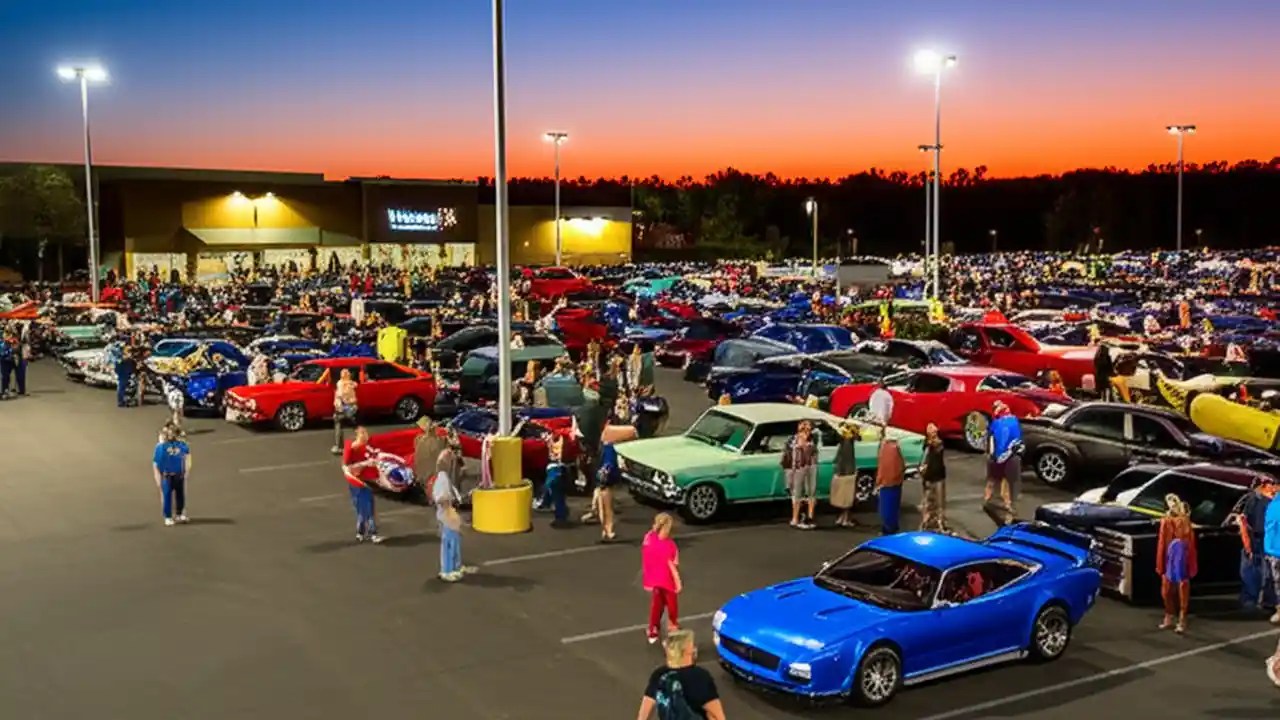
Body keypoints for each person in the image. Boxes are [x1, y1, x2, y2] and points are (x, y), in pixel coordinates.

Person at [638, 629, 726, 720]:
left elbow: (643, 715)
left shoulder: (659, 675)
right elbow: (717, 715)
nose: (695, 648)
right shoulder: (700, 676)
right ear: (687, 651)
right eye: (692, 645)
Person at [1157, 494, 1198, 634]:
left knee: (1182, 588)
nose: (1172, 504)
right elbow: (1162, 542)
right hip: (1169, 557)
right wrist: (1160, 562)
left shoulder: (1184, 520)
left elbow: (1187, 540)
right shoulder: (1165, 520)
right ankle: (1169, 615)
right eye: (1169, 502)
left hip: (1181, 557)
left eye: (1174, 501)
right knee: (1166, 590)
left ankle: (1182, 618)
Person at [1238, 477, 1279, 614]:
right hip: (1256, 539)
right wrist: (1247, 543)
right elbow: (1244, 523)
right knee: (1252, 571)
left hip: (1269, 541)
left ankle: (1268, 601)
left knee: (1269, 574)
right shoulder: (1254, 499)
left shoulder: (1273, 501)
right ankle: (1250, 600)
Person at [433, 456, 474, 581]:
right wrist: (450, 514)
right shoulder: (442, 480)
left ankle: (456, 566)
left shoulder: (446, 479)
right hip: (447, 517)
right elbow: (441, 498)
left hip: (449, 515)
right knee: (449, 544)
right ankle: (447, 570)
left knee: (455, 542)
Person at [643, 513, 682, 644]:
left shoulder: (649, 538)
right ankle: (672, 626)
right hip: (667, 580)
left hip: (654, 579)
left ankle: (653, 629)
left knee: (656, 605)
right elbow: (672, 565)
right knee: (672, 605)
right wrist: (678, 582)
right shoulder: (670, 545)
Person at [983, 401, 1024, 528]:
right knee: (1008, 482)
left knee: (993, 480)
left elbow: (991, 441)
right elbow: (1019, 440)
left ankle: (989, 500)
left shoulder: (996, 423)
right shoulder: (1014, 421)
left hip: (997, 458)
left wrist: (992, 455)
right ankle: (1009, 506)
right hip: (1012, 458)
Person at [341, 426, 383, 544]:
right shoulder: (351, 449)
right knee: (362, 508)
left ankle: (367, 533)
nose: (366, 435)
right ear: (357, 436)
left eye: (366, 433)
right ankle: (365, 532)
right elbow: (347, 467)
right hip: (358, 483)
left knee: (368, 508)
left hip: (366, 482)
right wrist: (365, 464)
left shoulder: (366, 448)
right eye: (362, 433)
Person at [152, 423, 192, 526]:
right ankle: (168, 517)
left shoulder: (181, 445)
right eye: (169, 432)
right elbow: (155, 463)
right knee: (167, 496)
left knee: (180, 496)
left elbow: (187, 456)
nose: (171, 435)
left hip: (179, 475)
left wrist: (186, 471)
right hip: (167, 476)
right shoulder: (161, 447)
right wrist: (157, 477)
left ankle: (179, 514)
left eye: (173, 432)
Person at [782, 421, 818, 529]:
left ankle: (810, 517)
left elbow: (811, 453)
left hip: (810, 467)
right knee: (796, 493)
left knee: (811, 492)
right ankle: (795, 518)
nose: (805, 428)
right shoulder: (792, 440)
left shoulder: (813, 439)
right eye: (803, 425)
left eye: (808, 426)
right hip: (797, 468)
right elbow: (788, 454)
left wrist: (805, 444)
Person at [875, 425, 906, 535]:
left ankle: (888, 529)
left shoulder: (887, 448)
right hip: (896, 483)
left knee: (887, 509)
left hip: (887, 483)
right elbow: (901, 465)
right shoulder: (895, 447)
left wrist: (879, 480)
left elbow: (884, 467)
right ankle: (892, 527)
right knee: (893, 507)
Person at [829, 421, 860, 528]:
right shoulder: (841, 433)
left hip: (847, 465)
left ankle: (845, 517)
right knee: (842, 492)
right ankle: (843, 517)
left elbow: (858, 437)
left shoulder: (851, 433)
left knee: (847, 492)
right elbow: (834, 437)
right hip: (842, 465)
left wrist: (852, 431)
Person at [919, 423, 948, 531]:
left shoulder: (939, 444)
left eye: (935, 432)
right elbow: (924, 459)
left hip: (939, 476)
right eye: (931, 432)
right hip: (929, 477)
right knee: (928, 502)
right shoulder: (927, 445)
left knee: (939, 502)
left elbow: (938, 447)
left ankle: (940, 523)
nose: (934, 434)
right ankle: (927, 523)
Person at [596, 442, 621, 541]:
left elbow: (609, 463)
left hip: (603, 479)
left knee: (604, 507)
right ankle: (607, 530)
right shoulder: (609, 447)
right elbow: (611, 464)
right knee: (606, 508)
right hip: (605, 479)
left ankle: (607, 530)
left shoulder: (605, 447)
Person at [332, 367, 358, 455]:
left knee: (338, 425)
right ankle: (358, 442)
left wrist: (339, 408)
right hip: (352, 408)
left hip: (343, 408)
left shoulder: (340, 384)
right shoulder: (352, 384)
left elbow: (340, 396)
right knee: (354, 426)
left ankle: (339, 447)